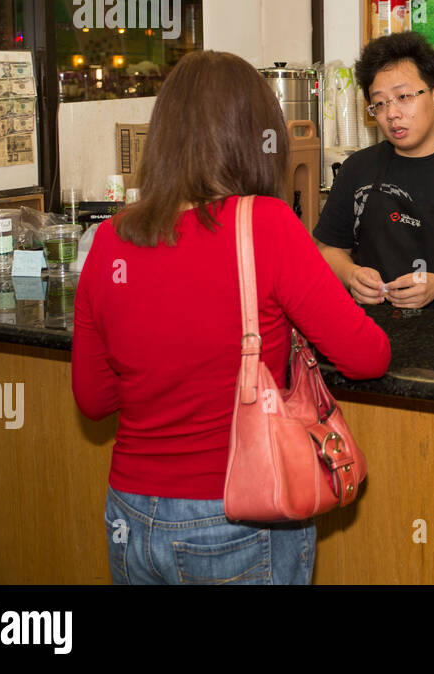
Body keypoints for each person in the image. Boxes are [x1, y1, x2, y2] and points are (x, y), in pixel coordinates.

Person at [72, 51, 390, 585]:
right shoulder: (266, 224)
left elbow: (94, 399)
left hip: (130, 517)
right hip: (237, 517)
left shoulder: (109, 240)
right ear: (257, 139)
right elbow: (367, 356)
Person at [314, 32, 434, 313]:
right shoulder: (357, 169)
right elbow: (329, 250)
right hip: (370, 332)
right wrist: (350, 274)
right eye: (379, 103)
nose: (391, 113)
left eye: (403, 97)